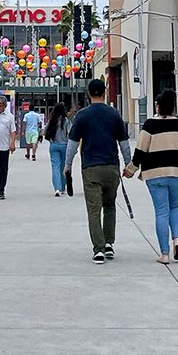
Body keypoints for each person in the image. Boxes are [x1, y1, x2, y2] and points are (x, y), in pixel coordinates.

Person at [64, 79, 132, 264]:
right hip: (111, 167)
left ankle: (99, 249)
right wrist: (129, 165)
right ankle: (109, 243)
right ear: (104, 92)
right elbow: (124, 143)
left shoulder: (82, 115)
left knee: (94, 210)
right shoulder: (114, 114)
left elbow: (72, 144)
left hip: (91, 167)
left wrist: (67, 165)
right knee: (110, 206)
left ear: (88, 94)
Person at [124, 90, 178, 265]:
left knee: (162, 211)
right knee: (174, 207)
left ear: (158, 107)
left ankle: (164, 254)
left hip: (155, 174)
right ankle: (177, 240)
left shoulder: (149, 125)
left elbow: (140, 151)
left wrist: (130, 170)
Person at [44, 102, 71, 196]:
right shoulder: (66, 121)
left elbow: (44, 130)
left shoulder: (52, 120)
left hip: (53, 145)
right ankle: (63, 186)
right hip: (64, 145)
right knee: (63, 166)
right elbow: (70, 133)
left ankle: (57, 188)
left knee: (55, 166)